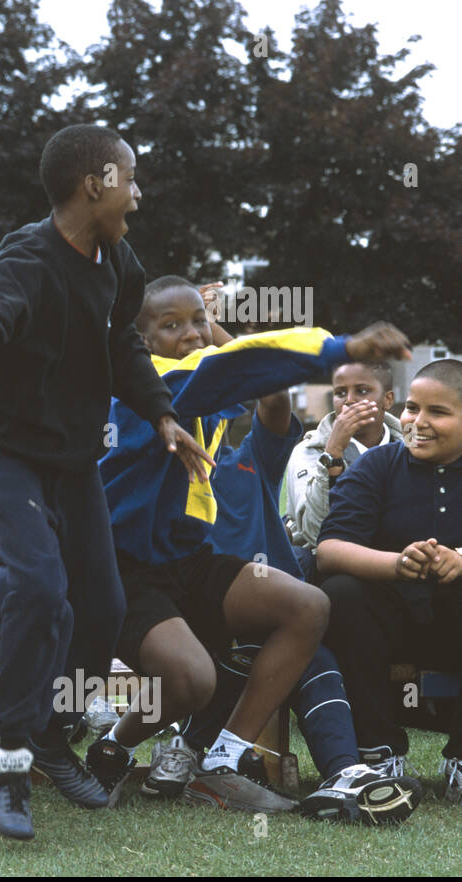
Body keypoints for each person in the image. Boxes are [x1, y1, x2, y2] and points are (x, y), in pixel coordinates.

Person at [0, 124, 210, 841]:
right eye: (131, 177)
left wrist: (160, 413)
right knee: (39, 585)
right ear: (94, 183)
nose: (139, 191)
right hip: (1, 447)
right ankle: (10, 768)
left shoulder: (119, 262)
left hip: (69, 459)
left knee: (100, 605)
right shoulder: (29, 256)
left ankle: (50, 728)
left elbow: (120, 343)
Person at [83, 276, 412, 816]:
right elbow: (234, 365)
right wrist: (339, 349)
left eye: (196, 321)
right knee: (192, 680)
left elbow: (238, 371)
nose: (191, 334)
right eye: (172, 326)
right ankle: (112, 747)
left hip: (187, 560)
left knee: (307, 605)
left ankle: (220, 764)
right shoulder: (154, 384)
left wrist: (204, 321)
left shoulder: (195, 384)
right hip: (122, 570)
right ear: (138, 342)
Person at [175, 321, 421, 824]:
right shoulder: (161, 473)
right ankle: (331, 770)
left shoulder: (251, 459)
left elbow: (271, 395)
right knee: (286, 641)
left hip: (287, 607)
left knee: (307, 632)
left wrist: (218, 335)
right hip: (220, 616)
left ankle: (336, 773)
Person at [317, 358, 462, 805]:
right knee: (340, 592)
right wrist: (397, 562)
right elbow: (329, 549)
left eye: (438, 412)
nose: (417, 422)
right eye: (413, 408)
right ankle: (379, 752)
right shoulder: (380, 464)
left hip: (452, 629)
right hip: (386, 629)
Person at [286, 361, 402, 558]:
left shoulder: (408, 448)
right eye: (340, 393)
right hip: (324, 562)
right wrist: (333, 452)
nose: (349, 401)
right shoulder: (308, 451)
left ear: (387, 399)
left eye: (362, 391)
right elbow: (316, 533)